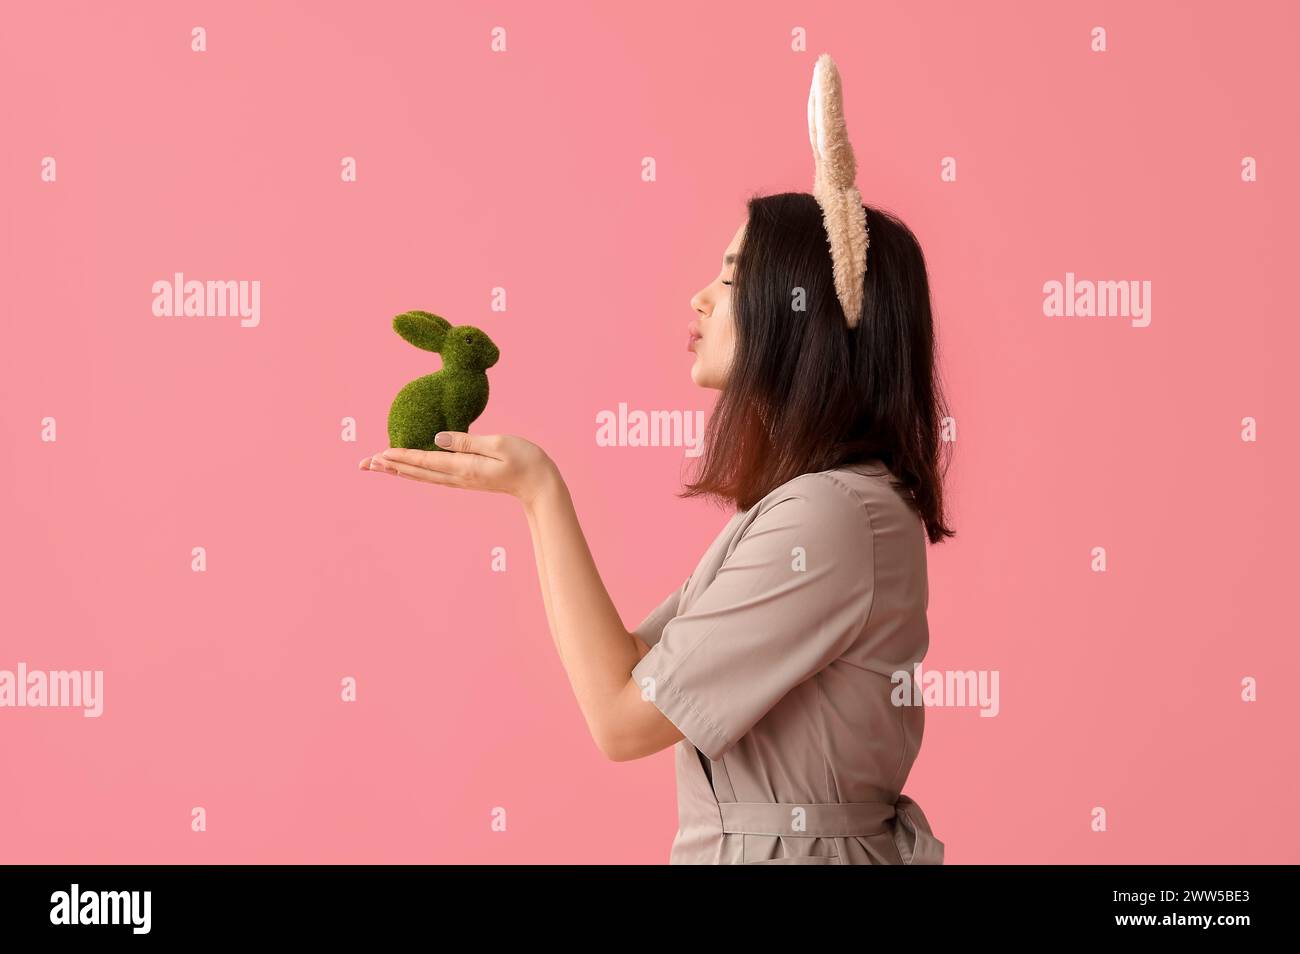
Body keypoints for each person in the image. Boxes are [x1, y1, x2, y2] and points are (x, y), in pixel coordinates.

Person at [360, 190, 955, 864]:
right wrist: (535, 493)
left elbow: (620, 722)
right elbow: (638, 674)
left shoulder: (828, 518)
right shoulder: (820, 506)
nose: (699, 299)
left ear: (802, 313)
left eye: (732, 278)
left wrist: (539, 489)